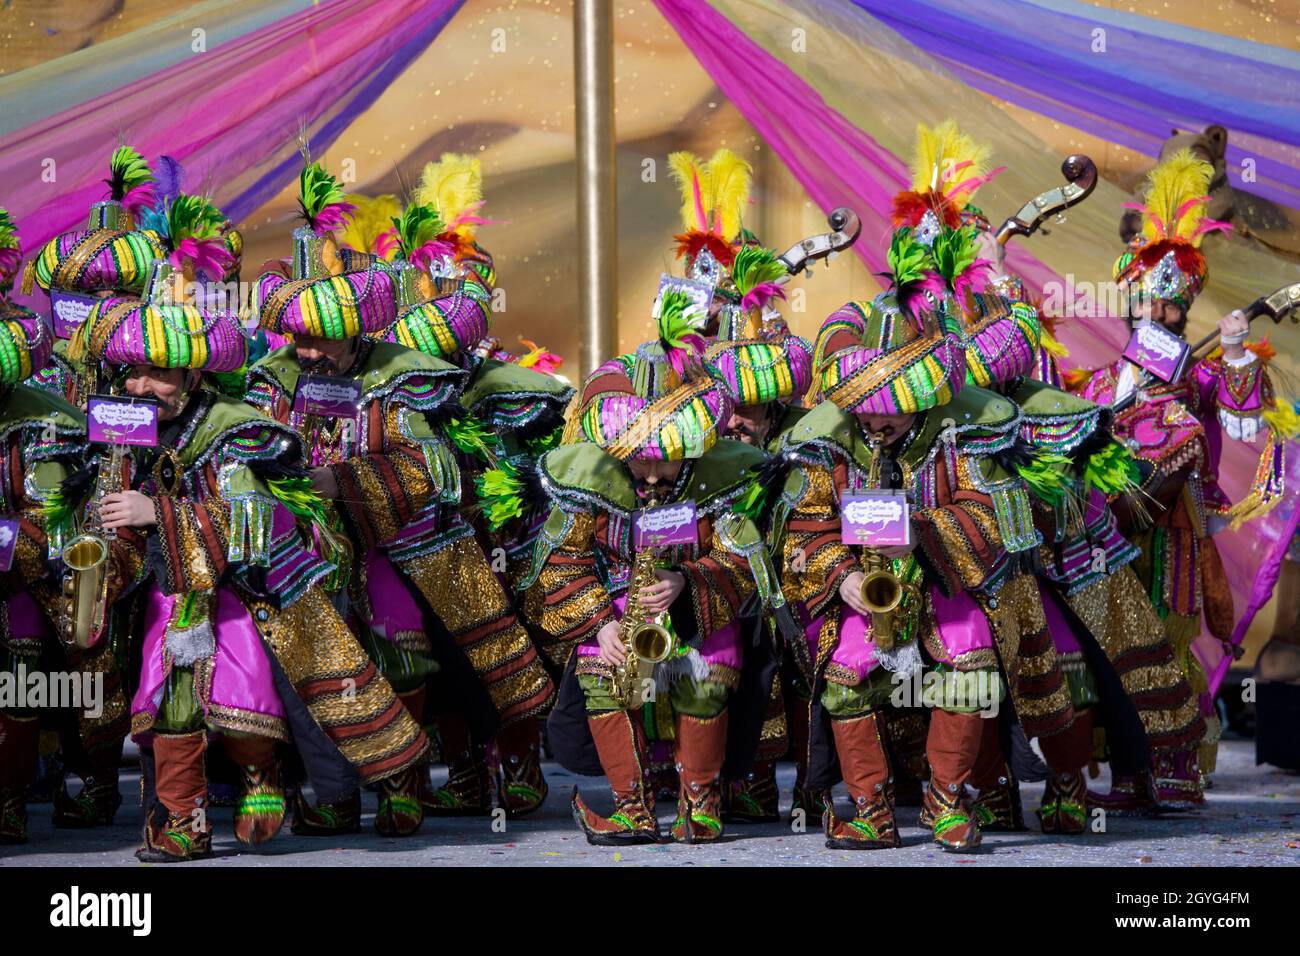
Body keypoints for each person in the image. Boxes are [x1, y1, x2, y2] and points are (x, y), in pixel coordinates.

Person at [74, 256, 430, 861]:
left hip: (260, 588)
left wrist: (158, 513)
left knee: (279, 698)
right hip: (175, 589)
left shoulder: (236, 431)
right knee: (170, 699)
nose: (139, 387)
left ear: (193, 375)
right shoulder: (128, 426)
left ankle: (291, 786)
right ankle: (183, 820)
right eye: (132, 372)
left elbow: (256, 521)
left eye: (157, 373)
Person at [246, 151, 555, 835]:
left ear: (355, 331)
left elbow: (434, 470)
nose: (306, 351)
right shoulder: (272, 377)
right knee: (307, 655)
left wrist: (343, 481)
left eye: (320, 338)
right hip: (307, 553)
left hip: (412, 543)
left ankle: (412, 784)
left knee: (409, 643)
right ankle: (328, 791)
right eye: (297, 337)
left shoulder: (405, 376)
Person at [1067, 148, 1280, 800]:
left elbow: (1243, 421)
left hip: (1177, 528)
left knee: (1165, 637)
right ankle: (1130, 770)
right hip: (1112, 528)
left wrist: (1236, 349)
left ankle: (1176, 770)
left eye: (1171, 309)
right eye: (1149, 307)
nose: (1159, 316)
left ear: (1185, 310)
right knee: (1115, 641)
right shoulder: (1103, 379)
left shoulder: (1204, 372)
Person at [524, 286, 767, 844]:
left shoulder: (722, 479)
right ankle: (632, 807)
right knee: (600, 668)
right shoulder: (589, 481)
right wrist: (599, 625)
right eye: (639, 462)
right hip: (619, 607)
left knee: (709, 668)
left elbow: (743, 560)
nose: (653, 477)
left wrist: (688, 581)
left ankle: (700, 806)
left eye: (667, 462)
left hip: (699, 608)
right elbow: (562, 563)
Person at [0, 218, 89, 844]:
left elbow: (53, 514)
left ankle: (8, 797)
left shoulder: (41, 418)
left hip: (21, 575)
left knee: (24, 658)